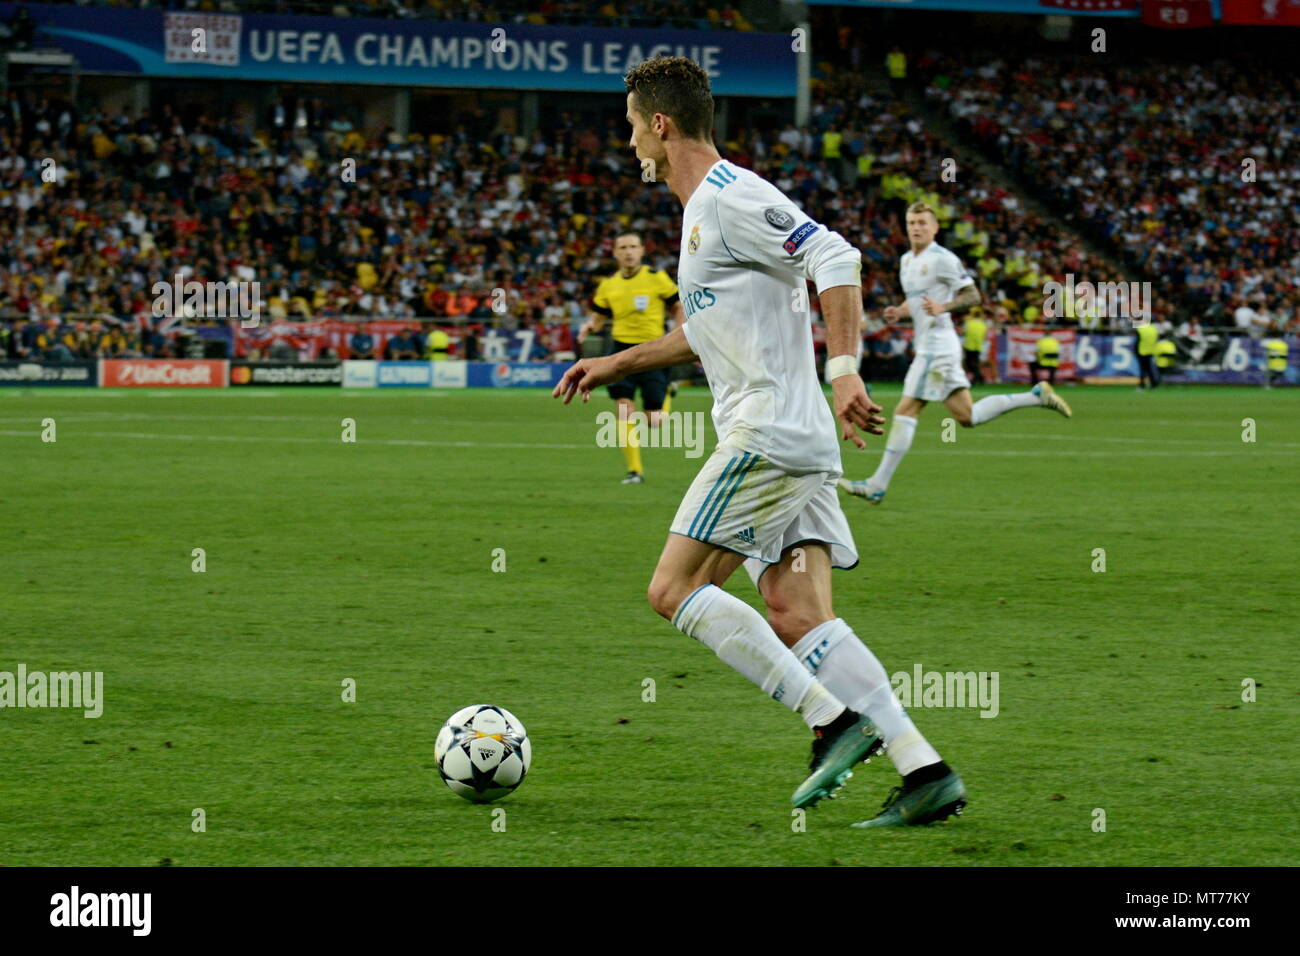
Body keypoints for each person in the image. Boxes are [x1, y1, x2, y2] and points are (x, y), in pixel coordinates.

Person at [555, 56, 965, 827]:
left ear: (661, 125)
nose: (632, 143)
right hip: (799, 441)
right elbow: (709, 332)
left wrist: (845, 371)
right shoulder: (699, 219)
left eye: (634, 127)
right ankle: (926, 772)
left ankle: (833, 722)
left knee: (673, 591)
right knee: (795, 612)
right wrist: (619, 361)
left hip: (769, 435)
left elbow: (835, 255)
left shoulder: (730, 195)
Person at [839, 202, 1072, 505]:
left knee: (905, 410)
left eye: (923, 222)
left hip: (937, 346)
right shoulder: (906, 260)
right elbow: (918, 299)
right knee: (967, 416)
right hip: (934, 346)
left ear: (935, 228)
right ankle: (1036, 395)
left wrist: (944, 307)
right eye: (911, 222)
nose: (916, 227)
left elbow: (973, 294)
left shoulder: (943, 259)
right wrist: (901, 310)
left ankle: (876, 485)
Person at [586, 231, 682, 484]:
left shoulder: (656, 278)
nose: (628, 252)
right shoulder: (609, 285)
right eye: (623, 247)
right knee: (623, 407)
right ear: (615, 253)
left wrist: (677, 333)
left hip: (653, 351)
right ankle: (634, 471)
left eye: (633, 247)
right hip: (620, 351)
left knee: (655, 422)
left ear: (642, 251)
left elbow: (679, 304)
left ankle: (668, 393)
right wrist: (589, 327)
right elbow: (598, 317)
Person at [962, 307, 987, 385]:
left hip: (969, 345)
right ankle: (979, 378)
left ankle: (975, 378)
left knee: (969, 363)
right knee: (976, 363)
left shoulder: (969, 323)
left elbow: (964, 333)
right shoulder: (983, 324)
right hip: (978, 346)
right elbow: (984, 336)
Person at [1135, 320, 1159, 390]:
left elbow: (1138, 341)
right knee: (1149, 369)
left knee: (1142, 369)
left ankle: (1142, 385)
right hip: (1151, 351)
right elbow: (1156, 339)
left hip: (1141, 351)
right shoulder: (1153, 328)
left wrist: (1135, 351)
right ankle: (1153, 385)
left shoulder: (1140, 329)